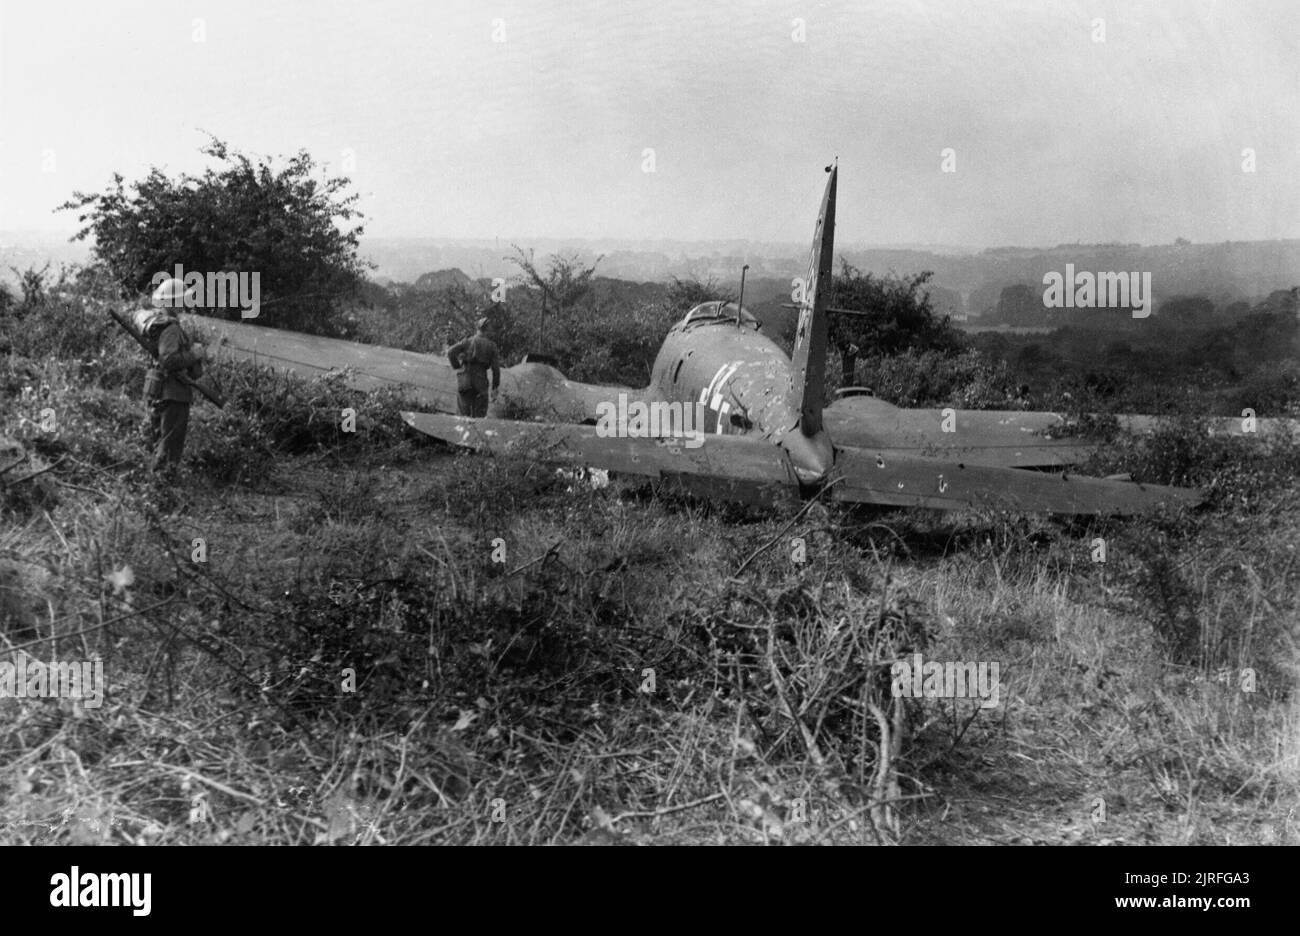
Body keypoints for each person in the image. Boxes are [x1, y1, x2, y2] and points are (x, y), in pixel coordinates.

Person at [138, 278, 206, 473]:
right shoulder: (172, 328)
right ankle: (163, 487)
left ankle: (152, 485)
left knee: (155, 441)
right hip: (173, 393)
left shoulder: (158, 324)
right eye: (181, 300)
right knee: (169, 447)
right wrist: (194, 354)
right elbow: (168, 360)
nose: (184, 304)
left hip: (161, 389)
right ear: (173, 302)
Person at [447, 316, 501, 417]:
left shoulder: (467, 341)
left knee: (463, 416)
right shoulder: (492, 346)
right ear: (487, 330)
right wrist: (495, 387)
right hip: (481, 382)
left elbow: (450, 352)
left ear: (478, 329)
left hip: (465, 379)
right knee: (479, 418)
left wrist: (457, 366)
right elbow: (496, 370)